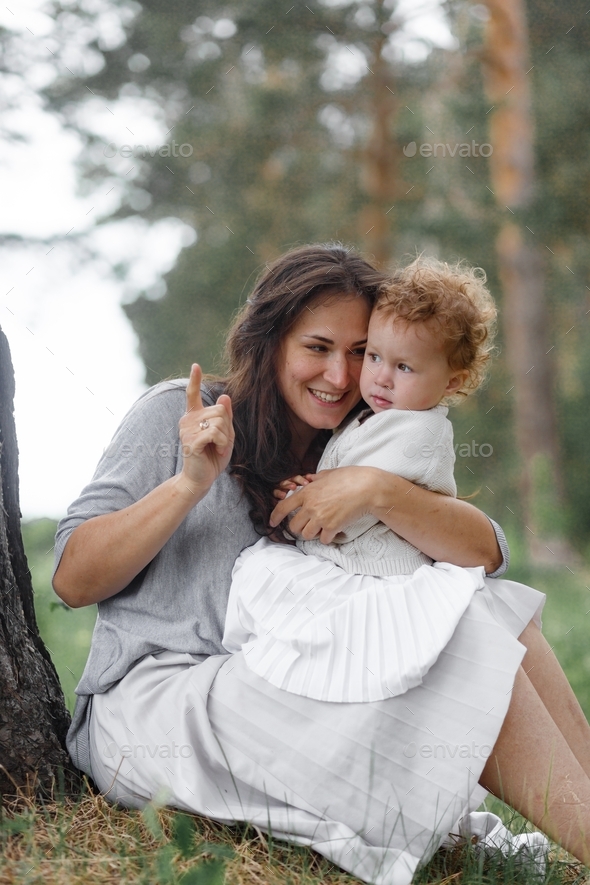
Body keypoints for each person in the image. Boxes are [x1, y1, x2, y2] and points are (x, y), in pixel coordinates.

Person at [53, 244, 590, 885]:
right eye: (317, 347)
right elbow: (73, 580)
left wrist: (377, 490)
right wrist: (189, 483)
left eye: (360, 351)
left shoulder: (364, 433)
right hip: (157, 704)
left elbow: (484, 555)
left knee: (492, 609)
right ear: (271, 340)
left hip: (276, 678)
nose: (340, 375)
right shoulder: (181, 414)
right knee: (458, 631)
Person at [223, 257, 497, 703]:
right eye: (374, 357)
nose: (379, 378)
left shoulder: (412, 430)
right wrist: (310, 491)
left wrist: (297, 509)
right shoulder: (373, 418)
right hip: (355, 566)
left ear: (453, 381)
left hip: (375, 576)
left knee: (263, 569)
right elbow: (341, 487)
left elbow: (337, 519)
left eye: (404, 368)